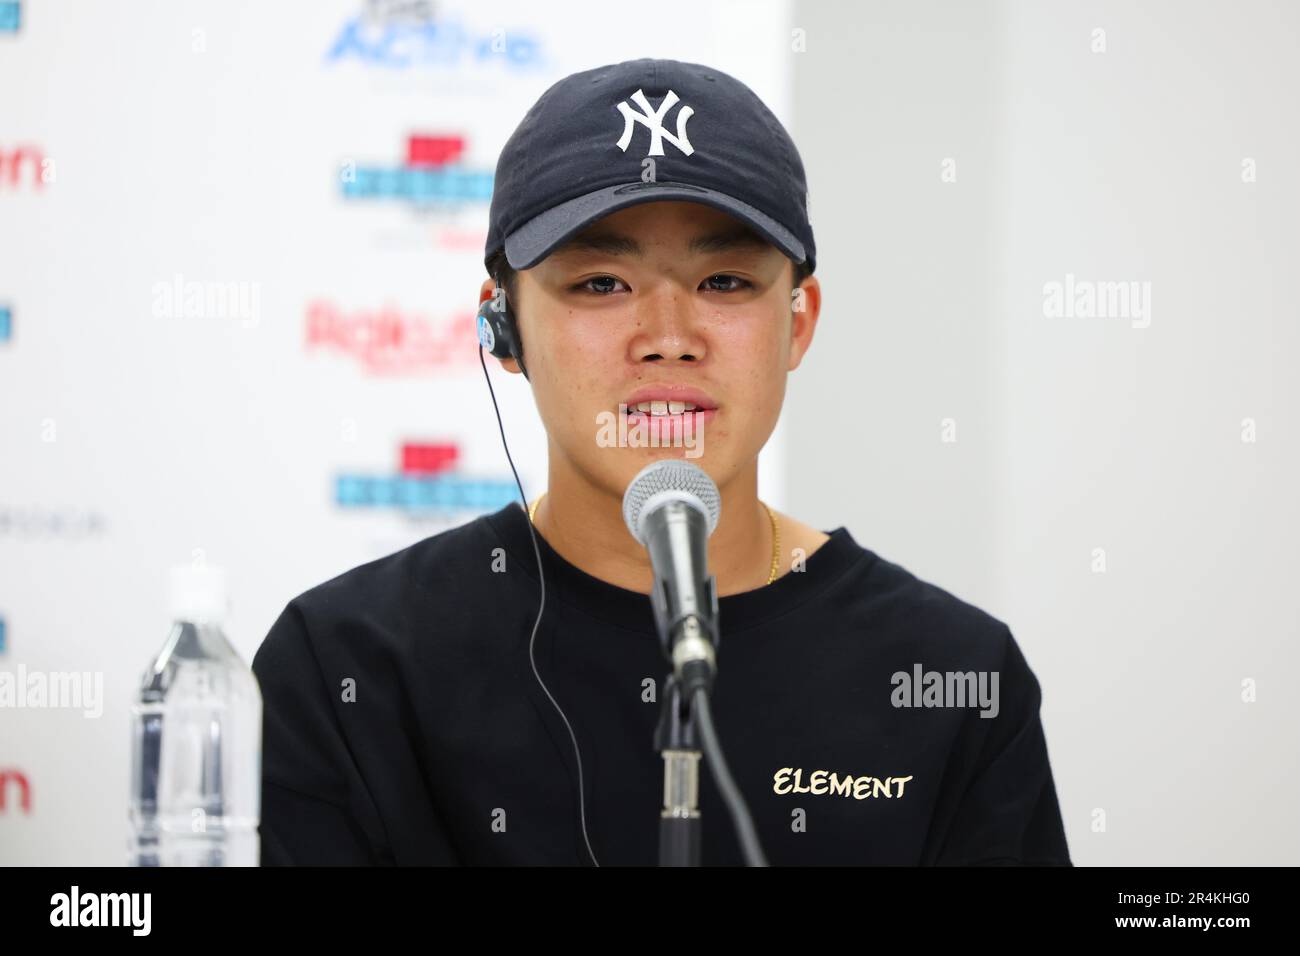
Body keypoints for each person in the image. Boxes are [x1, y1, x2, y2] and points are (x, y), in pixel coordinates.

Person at [252, 57, 1070, 866]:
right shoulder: (347, 667)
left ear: (800, 321)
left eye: (724, 280)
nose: (670, 335)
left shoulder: (954, 676)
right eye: (603, 284)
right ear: (502, 327)